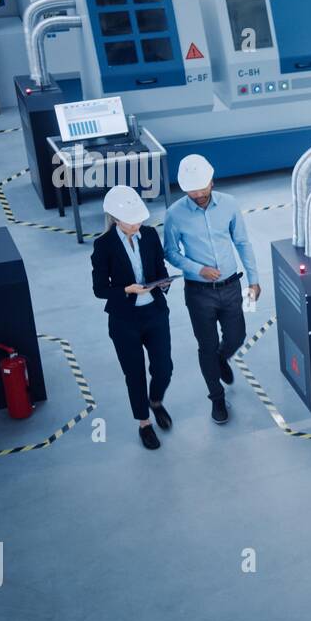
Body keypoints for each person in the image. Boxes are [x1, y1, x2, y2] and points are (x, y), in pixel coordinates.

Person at [162, 154, 260, 425]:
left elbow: (242, 242)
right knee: (205, 346)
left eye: (202, 188)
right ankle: (217, 398)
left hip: (231, 287)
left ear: (211, 181)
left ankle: (221, 358)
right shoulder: (174, 215)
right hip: (199, 292)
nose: (198, 194)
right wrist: (197, 268)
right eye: (192, 191)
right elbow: (170, 252)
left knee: (236, 336)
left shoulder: (229, 205)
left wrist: (253, 279)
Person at [91, 185, 174, 450]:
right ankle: (144, 423)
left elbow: (160, 268)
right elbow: (99, 289)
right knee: (134, 373)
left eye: (140, 218)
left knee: (164, 367)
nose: (138, 223)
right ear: (115, 219)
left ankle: (156, 400)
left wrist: (164, 283)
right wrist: (126, 289)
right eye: (131, 220)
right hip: (124, 319)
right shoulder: (103, 245)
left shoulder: (149, 235)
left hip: (155, 312)